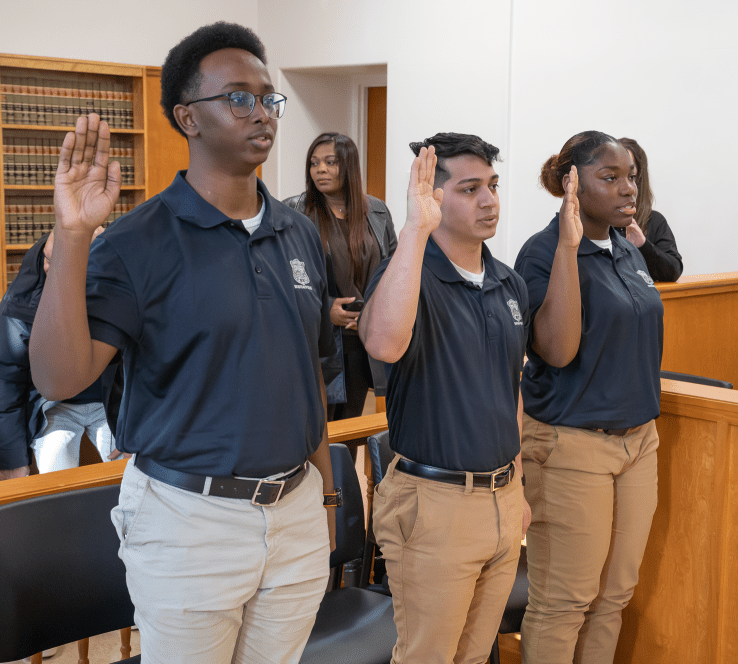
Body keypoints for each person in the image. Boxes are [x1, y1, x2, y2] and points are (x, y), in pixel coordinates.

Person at [29, 22, 338, 664]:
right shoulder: (138, 242)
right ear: (187, 118)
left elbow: (304, 372)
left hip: (296, 510)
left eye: (268, 97)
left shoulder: (297, 232)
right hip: (189, 519)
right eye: (239, 97)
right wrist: (75, 236)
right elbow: (59, 379)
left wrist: (327, 498)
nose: (262, 113)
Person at [360, 132, 577, 664]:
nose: (489, 200)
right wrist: (414, 230)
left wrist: (518, 489)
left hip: (502, 501)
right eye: (470, 188)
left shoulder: (507, 283)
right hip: (433, 504)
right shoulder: (407, 274)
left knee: (475, 656)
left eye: (494, 186)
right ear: (433, 197)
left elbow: (513, 391)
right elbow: (384, 342)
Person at [515, 131, 664, 664]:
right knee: (565, 601)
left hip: (638, 442)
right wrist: (568, 247)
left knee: (615, 594)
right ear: (571, 183)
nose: (628, 189)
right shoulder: (542, 252)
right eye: (611, 178)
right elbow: (555, 351)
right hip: (572, 444)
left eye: (632, 176)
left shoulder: (627, 246)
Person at [283, 132, 397, 419]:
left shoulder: (377, 212)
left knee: (348, 434)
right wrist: (325, 308)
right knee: (315, 430)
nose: (320, 169)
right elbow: (277, 276)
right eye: (314, 163)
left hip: (361, 342)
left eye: (330, 162)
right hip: (316, 342)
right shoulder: (292, 212)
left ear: (349, 166)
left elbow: (394, 270)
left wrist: (376, 309)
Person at [0, 230, 120, 480]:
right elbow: (6, 381)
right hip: (54, 406)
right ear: (45, 263)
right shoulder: (21, 304)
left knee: (134, 471)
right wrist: (11, 457)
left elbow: (143, 365)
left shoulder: (118, 293)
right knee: (55, 469)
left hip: (110, 402)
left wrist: (138, 430)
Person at [616, 137, 683, 281]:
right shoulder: (596, 223)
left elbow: (674, 271)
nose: (624, 186)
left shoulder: (655, 221)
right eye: (614, 175)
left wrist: (643, 245)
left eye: (631, 176)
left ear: (638, 179)